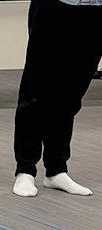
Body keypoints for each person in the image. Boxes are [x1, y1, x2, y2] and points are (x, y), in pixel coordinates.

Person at [12, 0, 102, 197]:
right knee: (36, 91)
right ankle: (25, 170)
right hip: (55, 5)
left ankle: (56, 169)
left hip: (96, 10)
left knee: (71, 95)